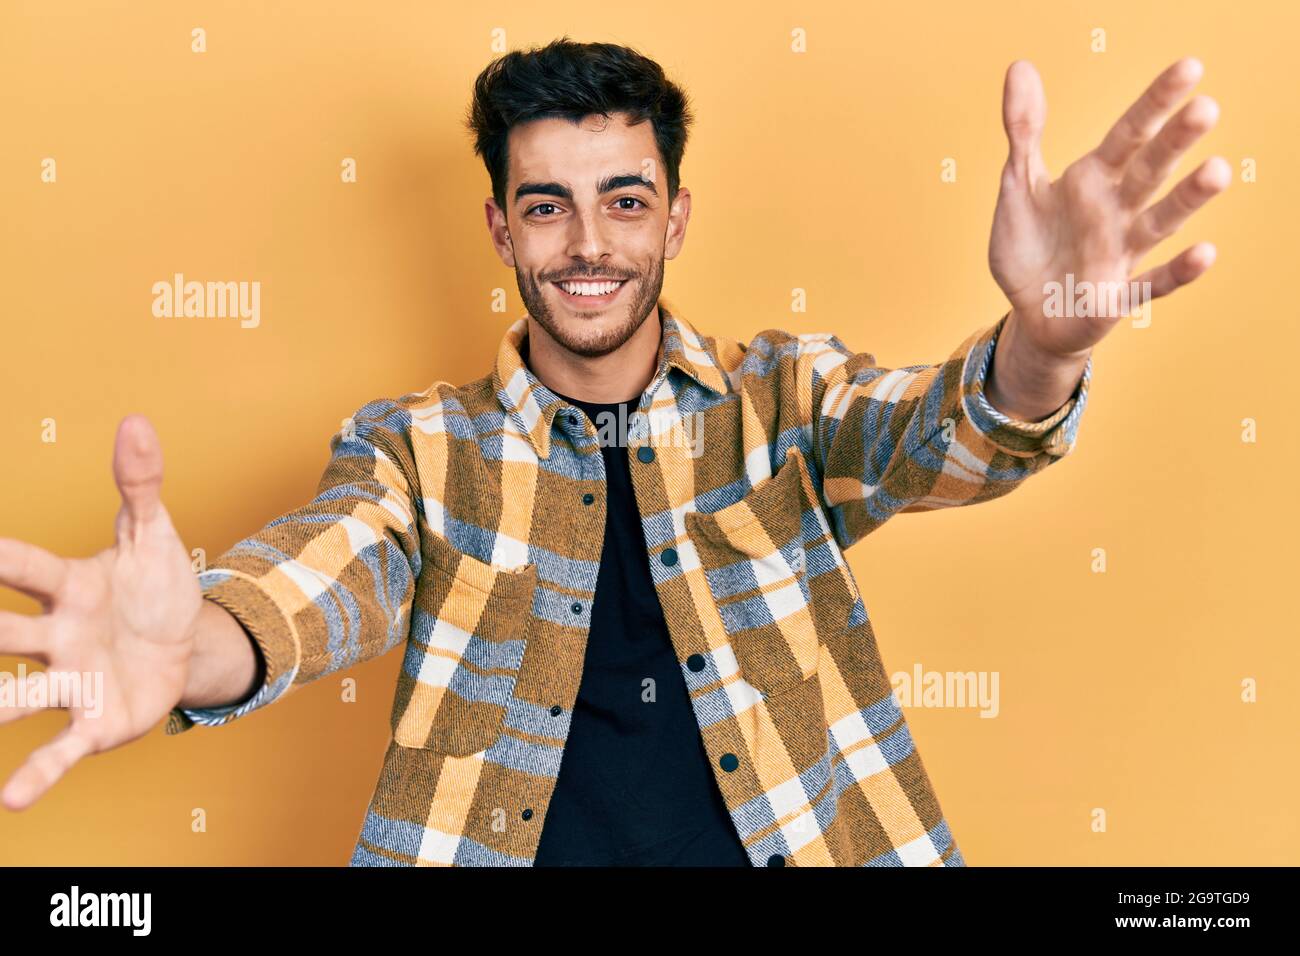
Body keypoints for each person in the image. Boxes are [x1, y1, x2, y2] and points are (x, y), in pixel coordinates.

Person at [0, 38, 1228, 866]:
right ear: (499, 225)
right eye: (546, 204)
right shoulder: (418, 450)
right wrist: (194, 645)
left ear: (676, 214)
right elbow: (317, 581)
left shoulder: (785, 398)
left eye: (625, 198)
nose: (587, 243)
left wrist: (1044, 344)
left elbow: (944, 436)